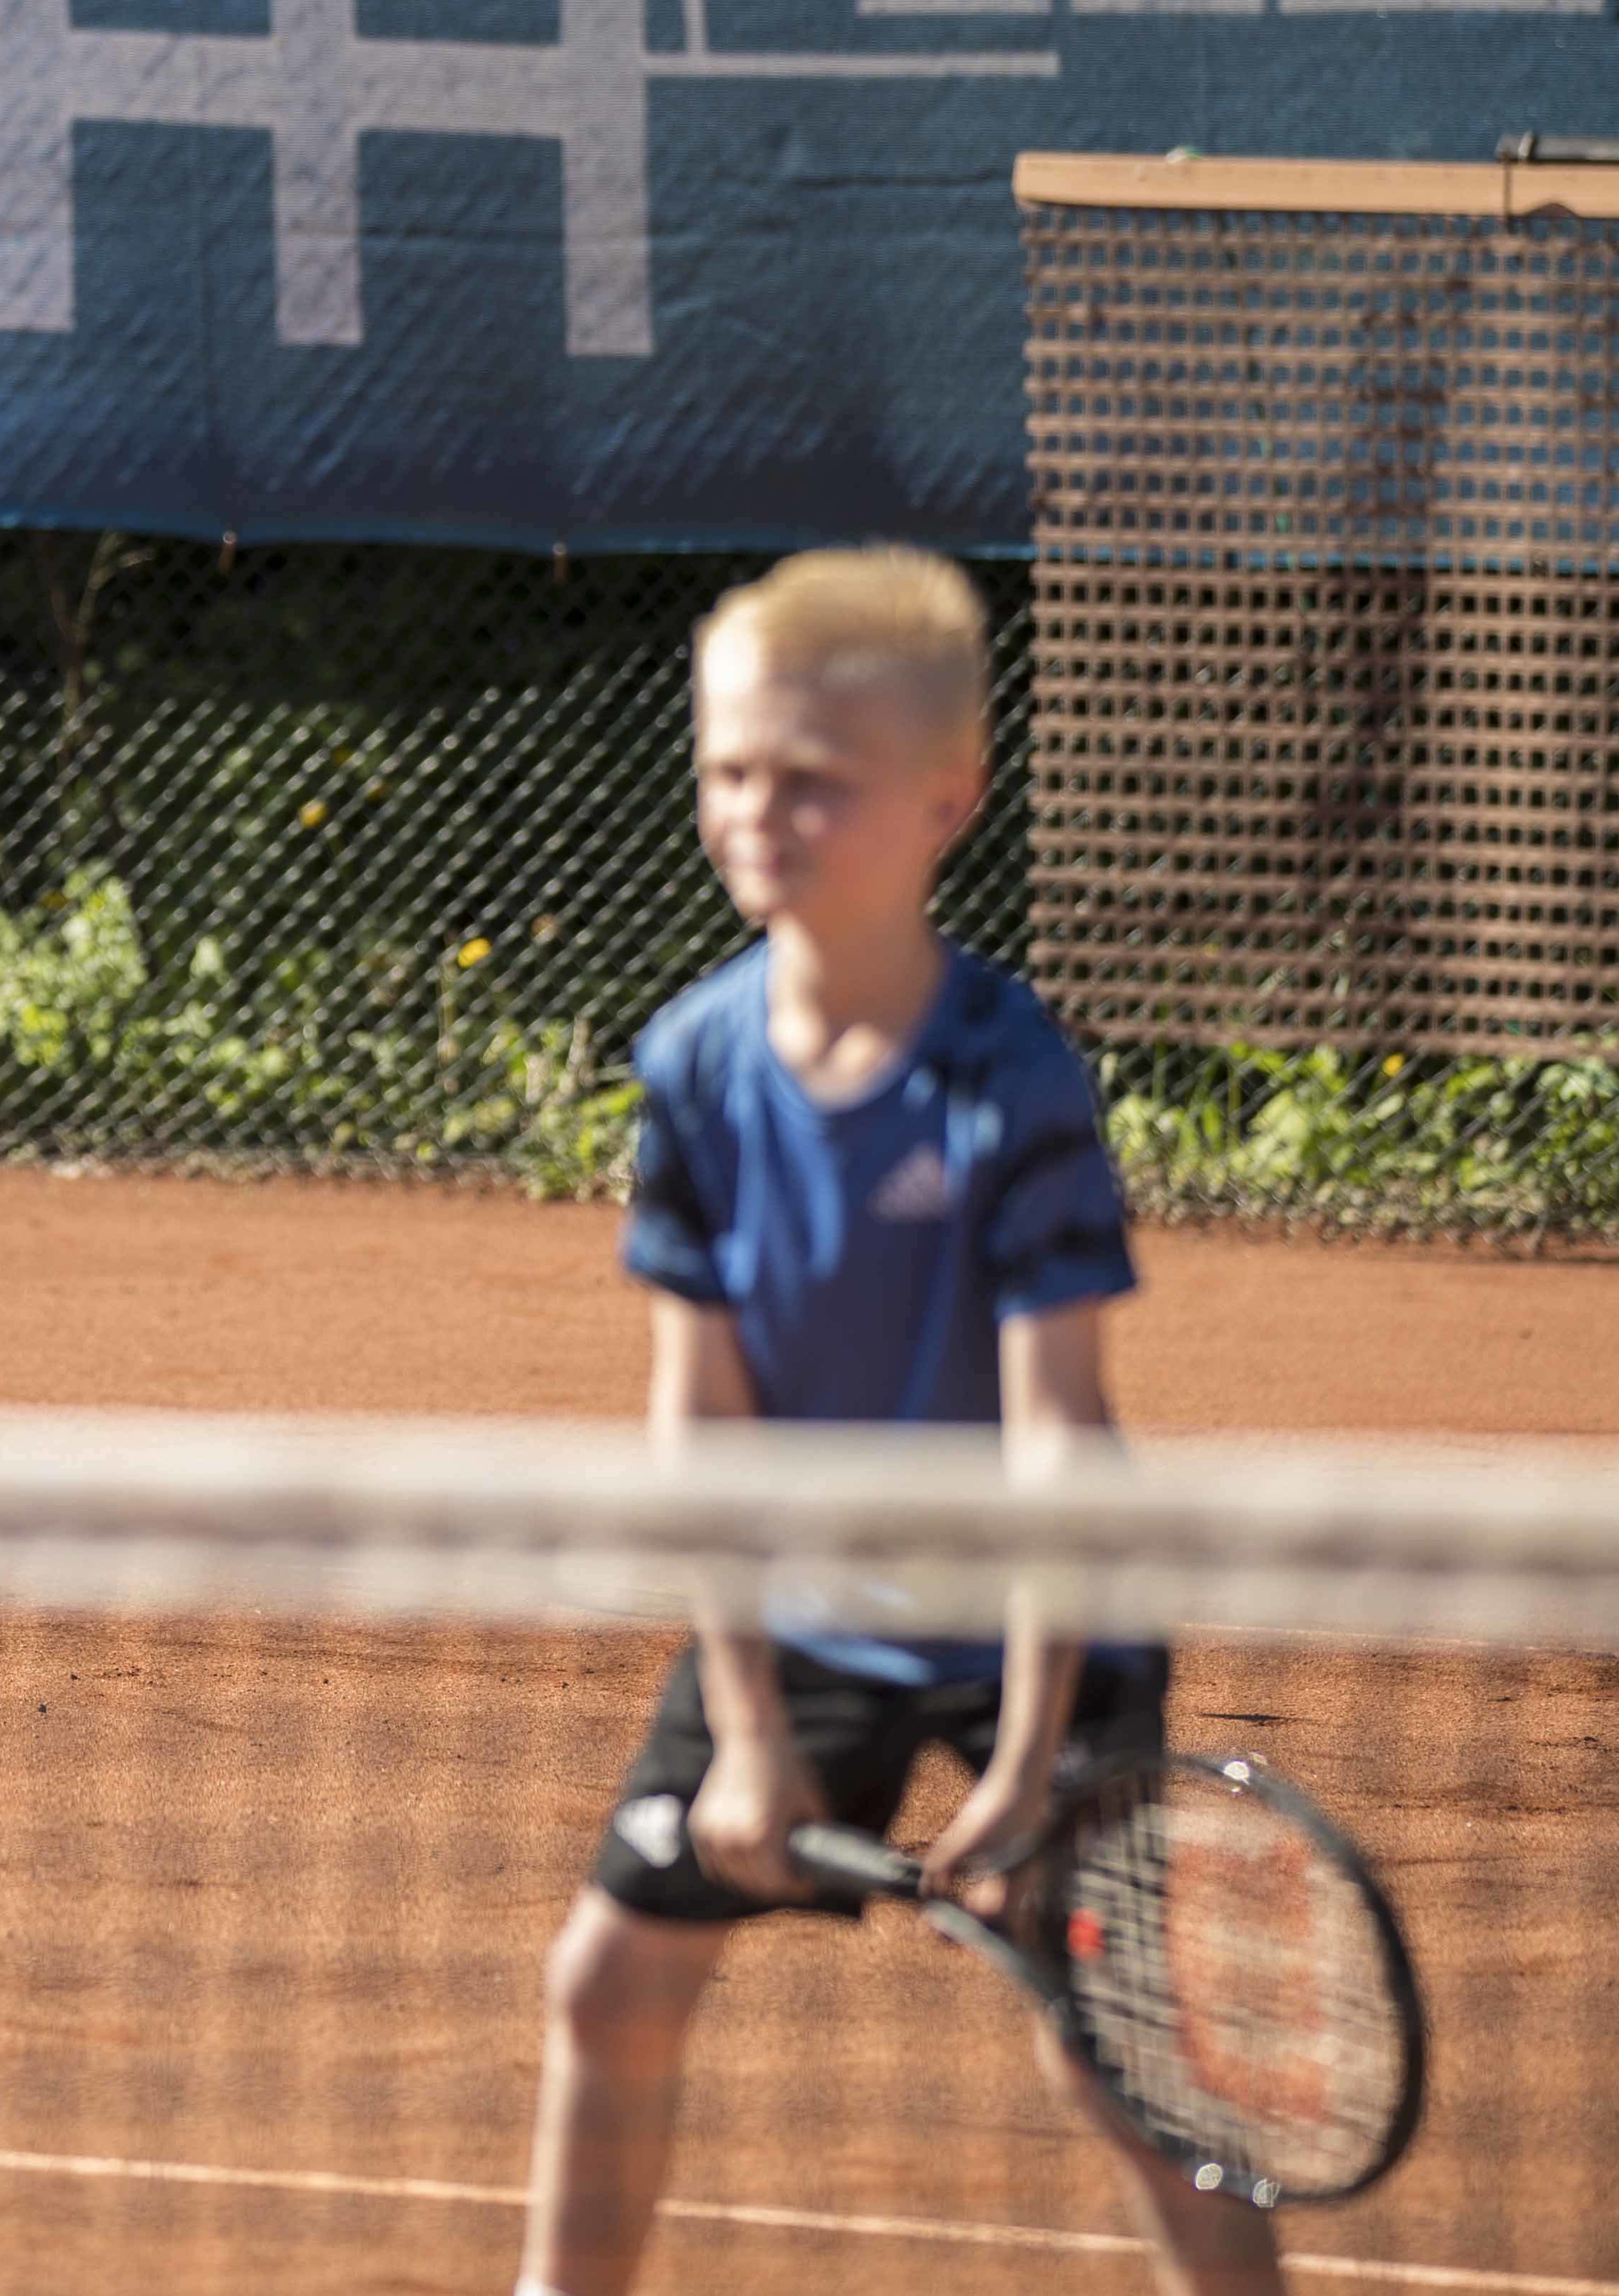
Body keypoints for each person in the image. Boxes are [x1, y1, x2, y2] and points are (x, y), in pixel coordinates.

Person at [515, 546, 1278, 2296]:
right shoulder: (695, 1068)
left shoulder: (1011, 1079)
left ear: (949, 799)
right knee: (608, 1985)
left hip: (1045, 1622)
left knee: (1109, 2053)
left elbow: (1055, 1442)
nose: (757, 813)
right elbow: (703, 1428)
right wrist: (749, 1730)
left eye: (813, 780)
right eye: (729, 770)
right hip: (805, 1613)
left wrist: (1023, 1772)